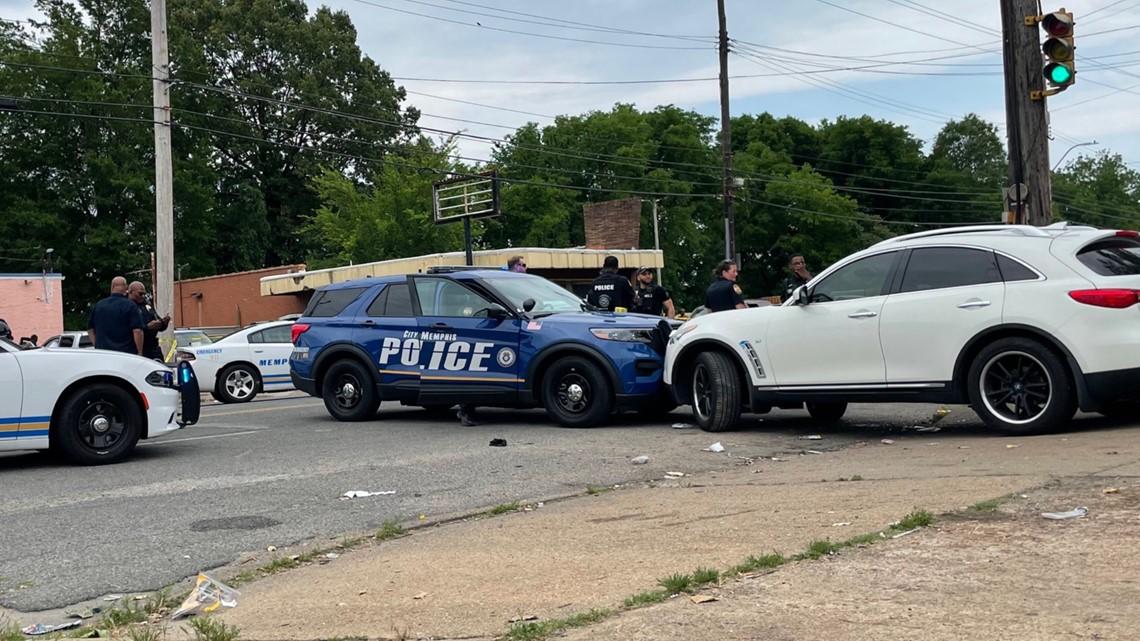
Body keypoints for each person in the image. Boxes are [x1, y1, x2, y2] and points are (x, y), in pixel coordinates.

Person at [87, 276, 145, 355]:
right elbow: (137, 331)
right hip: (125, 354)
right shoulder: (131, 306)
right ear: (126, 287)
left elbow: (90, 329)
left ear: (112, 287)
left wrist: (96, 345)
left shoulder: (99, 305)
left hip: (103, 353)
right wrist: (140, 352)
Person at [128, 281, 171, 361]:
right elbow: (127, 330)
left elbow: (159, 325)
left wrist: (163, 323)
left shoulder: (148, 306)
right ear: (130, 292)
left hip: (153, 348)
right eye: (140, 294)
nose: (143, 296)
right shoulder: (128, 307)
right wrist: (147, 327)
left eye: (144, 294)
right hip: (138, 348)